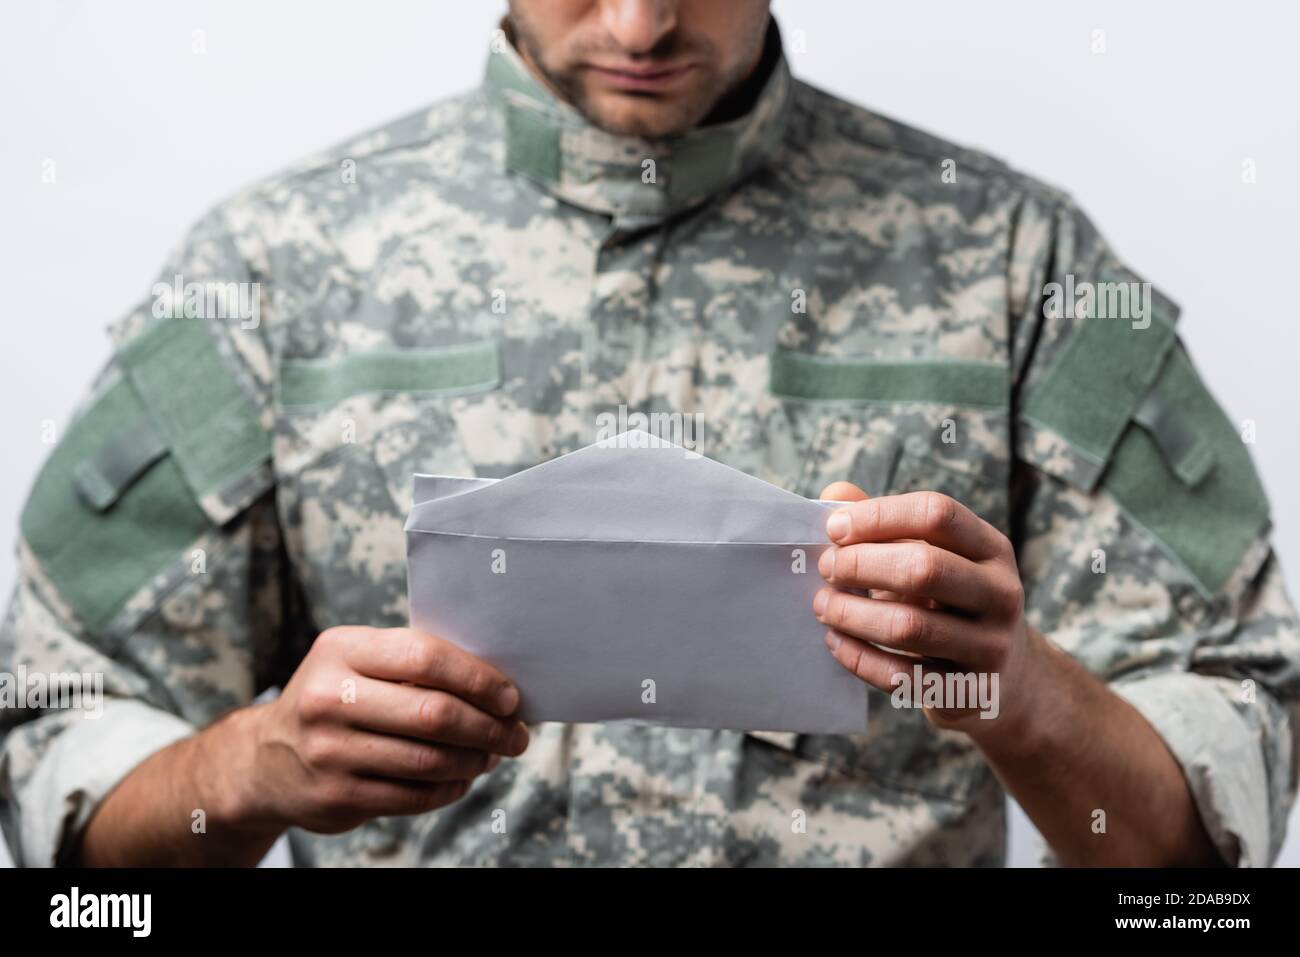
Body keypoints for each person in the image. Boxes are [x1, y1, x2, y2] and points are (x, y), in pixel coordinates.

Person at [2, 0, 1296, 867]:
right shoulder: (270, 271)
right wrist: (248, 767)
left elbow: (1203, 848)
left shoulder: (1020, 264)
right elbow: (57, 780)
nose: (639, 23)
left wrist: (1014, 689)